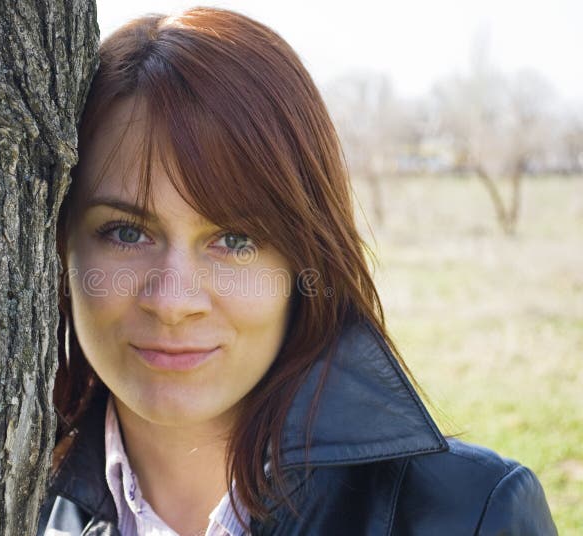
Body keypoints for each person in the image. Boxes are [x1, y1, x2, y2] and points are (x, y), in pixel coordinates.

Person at [38, 7, 557, 535]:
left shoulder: (471, 515)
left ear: (305, 261)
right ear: (57, 251)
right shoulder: (3, 507)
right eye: (127, 233)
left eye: (235, 240)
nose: (173, 301)